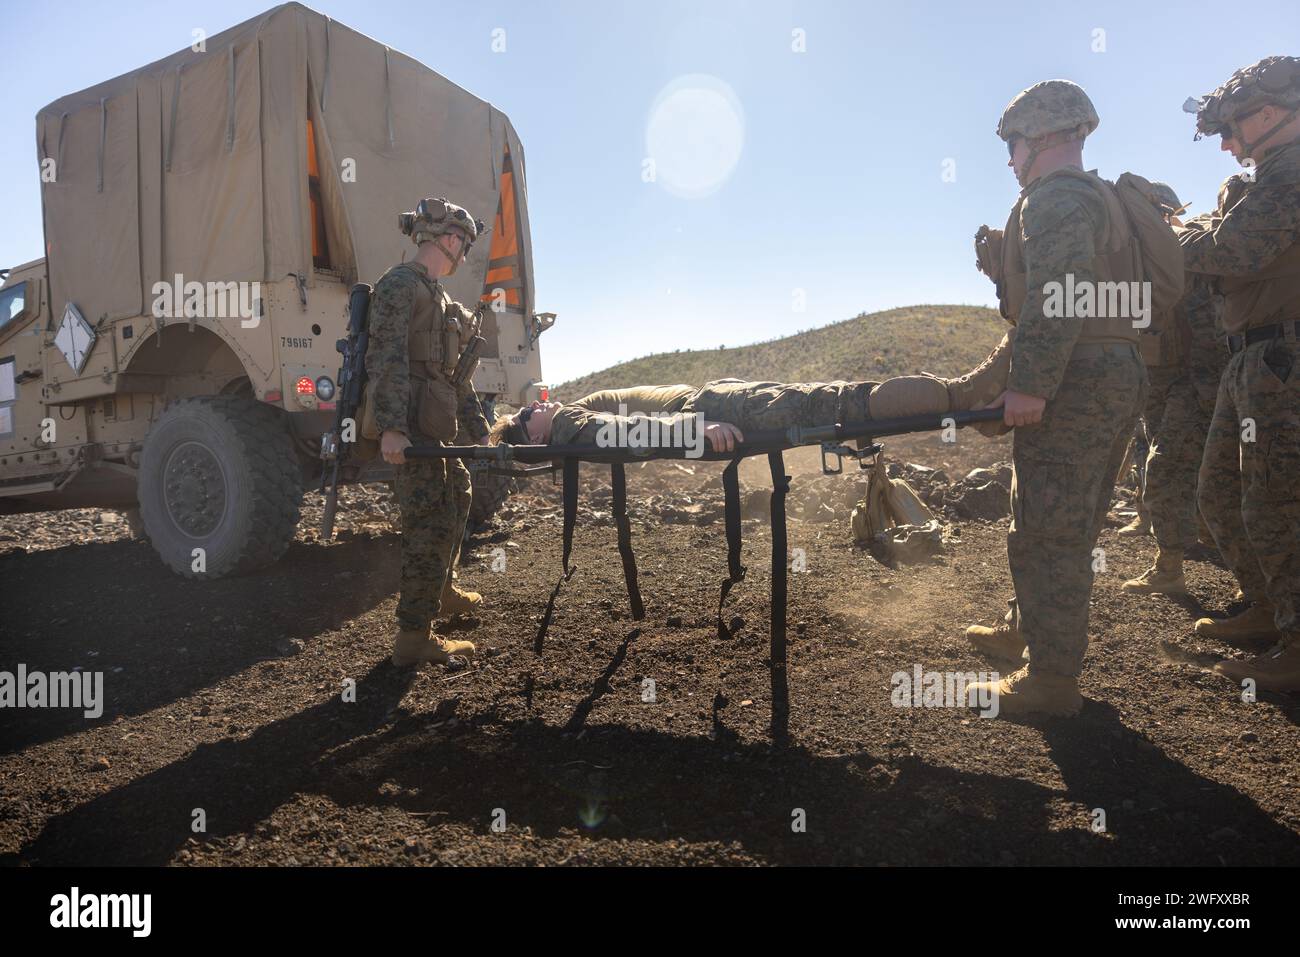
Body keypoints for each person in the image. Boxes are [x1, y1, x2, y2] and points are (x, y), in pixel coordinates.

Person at [962, 80, 1148, 717]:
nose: (1010, 158)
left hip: (1076, 378)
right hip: (1113, 367)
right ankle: (1026, 629)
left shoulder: (1056, 198)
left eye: (1013, 144)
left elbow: (1058, 293)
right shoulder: (1100, 196)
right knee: (1067, 517)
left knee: (1048, 532)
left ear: (1036, 137)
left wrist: (1032, 383)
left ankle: (1051, 683)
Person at [1178, 57, 1300, 690]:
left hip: (1283, 358)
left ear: (1272, 112)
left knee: (1275, 499)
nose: (1226, 144)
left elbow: (1235, 249)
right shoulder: (1270, 175)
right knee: (1221, 493)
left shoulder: (1292, 173)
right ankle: (1269, 608)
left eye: (1231, 127)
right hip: (1253, 356)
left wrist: (1165, 237)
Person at [365, 197, 490, 667]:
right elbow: (387, 359)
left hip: (433, 427)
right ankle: (413, 638)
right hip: (412, 429)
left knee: (457, 492)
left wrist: (480, 434)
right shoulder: (401, 286)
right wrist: (393, 429)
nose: (463, 253)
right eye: (463, 242)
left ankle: (443, 590)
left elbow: (456, 376)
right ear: (449, 239)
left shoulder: (437, 296)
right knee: (427, 526)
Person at [1121, 186, 1233, 596]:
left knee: (1171, 469)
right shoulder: (1141, 260)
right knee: (1168, 468)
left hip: (1201, 382)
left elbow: (1210, 329)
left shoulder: (1193, 248)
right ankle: (1172, 565)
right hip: (1162, 383)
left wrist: (1210, 392)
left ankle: (1181, 565)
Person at [488, 368, 1007, 451]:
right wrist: (696, 428)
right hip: (713, 405)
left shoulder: (572, 412)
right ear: (535, 438)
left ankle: (970, 397)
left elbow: (612, 411)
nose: (537, 407)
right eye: (526, 416)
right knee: (848, 403)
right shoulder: (571, 428)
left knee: (844, 400)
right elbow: (627, 430)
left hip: (716, 399)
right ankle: (967, 397)